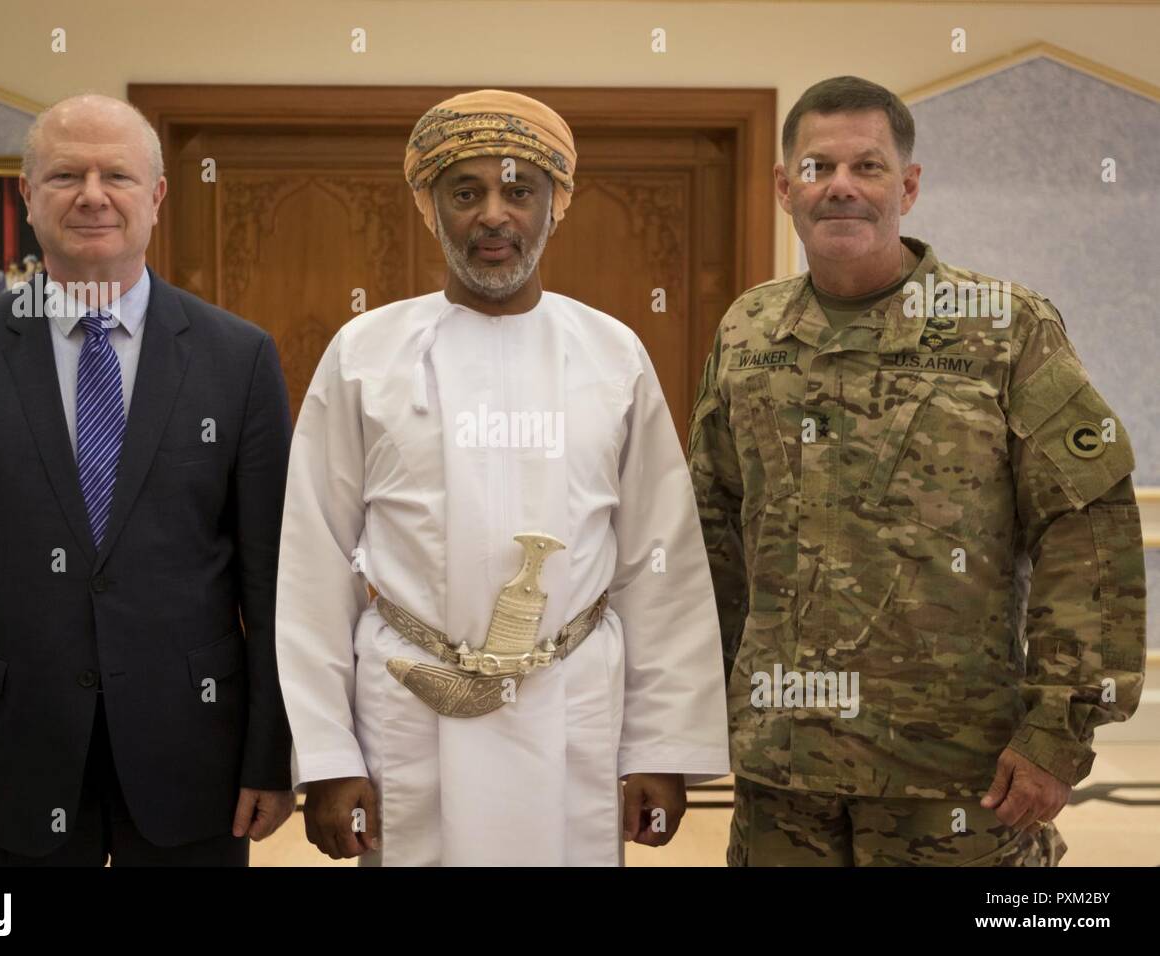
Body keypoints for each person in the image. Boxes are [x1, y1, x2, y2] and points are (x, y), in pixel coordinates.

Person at [689, 75, 1146, 867]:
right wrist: (681, 721)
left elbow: (1086, 527)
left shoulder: (1002, 328)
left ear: (908, 185)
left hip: (956, 774)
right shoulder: (748, 330)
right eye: (816, 167)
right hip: (782, 772)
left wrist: (1058, 728)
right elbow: (710, 531)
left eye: (866, 167)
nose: (839, 187)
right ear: (782, 188)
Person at [275, 89, 730, 866]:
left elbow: (662, 561)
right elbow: (313, 561)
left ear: (558, 205)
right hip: (414, 710)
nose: (494, 215)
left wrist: (660, 745)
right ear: (429, 207)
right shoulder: (365, 354)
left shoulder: (612, 354)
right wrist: (327, 757)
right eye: (466, 192)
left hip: (572, 711)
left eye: (519, 190)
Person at [0, 93, 295, 866]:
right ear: (27, 196)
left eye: (118, 176)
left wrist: (274, 753)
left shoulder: (238, 359)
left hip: (195, 754)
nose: (93, 195)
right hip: (11, 753)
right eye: (66, 174)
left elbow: (274, 581)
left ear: (157, 197)